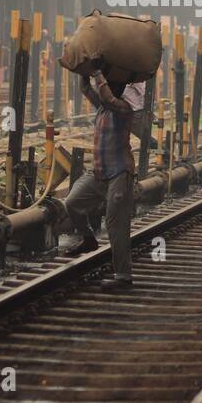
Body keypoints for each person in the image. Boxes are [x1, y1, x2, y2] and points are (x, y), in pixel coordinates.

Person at [62, 70, 136, 289]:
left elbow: (109, 98)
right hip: (98, 173)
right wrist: (83, 69)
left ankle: (123, 275)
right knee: (72, 203)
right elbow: (85, 89)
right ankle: (88, 239)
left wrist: (96, 73)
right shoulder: (103, 107)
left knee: (115, 223)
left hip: (120, 174)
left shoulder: (123, 108)